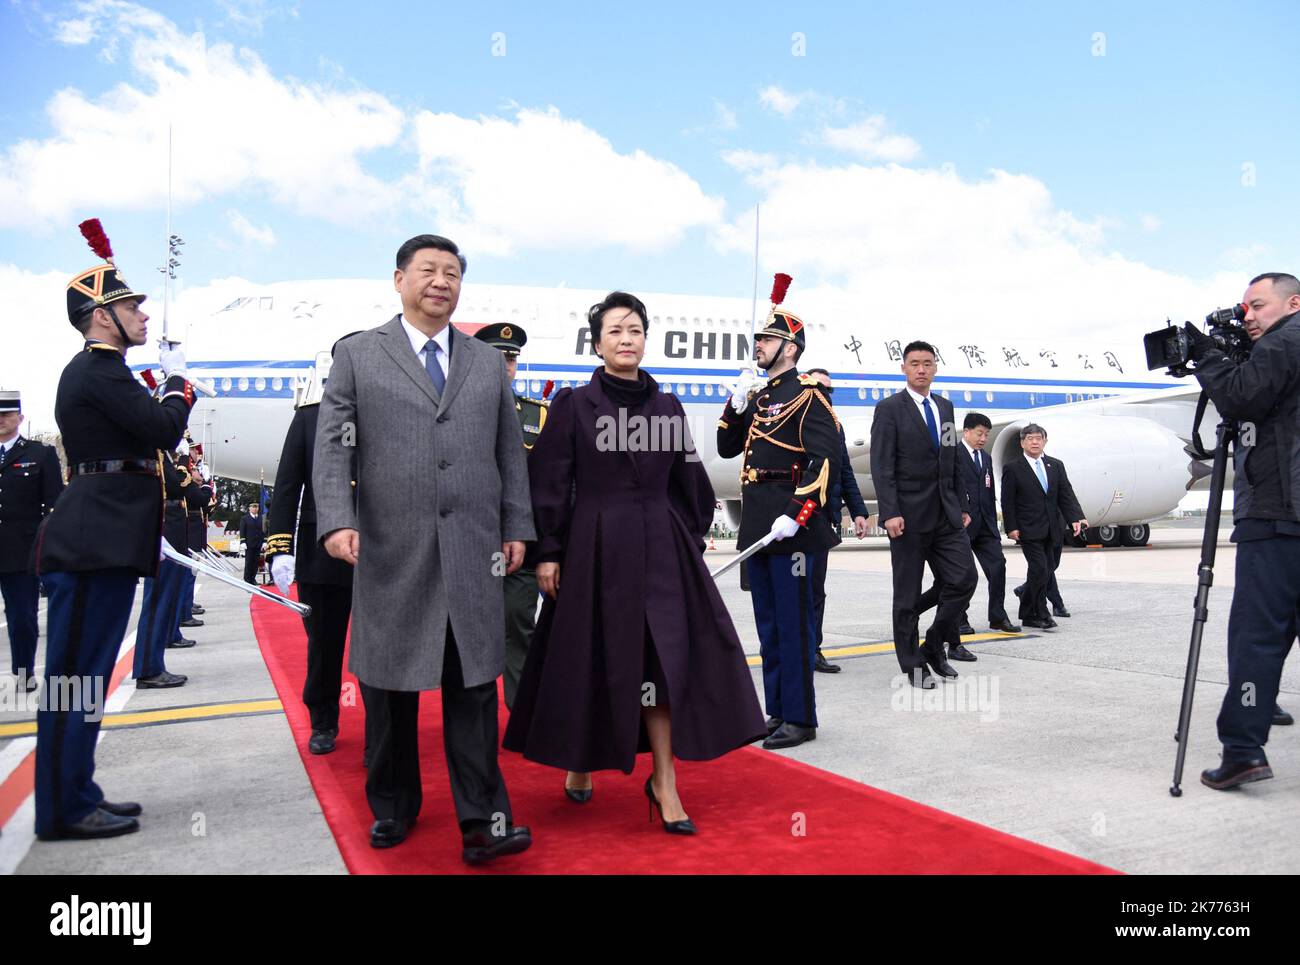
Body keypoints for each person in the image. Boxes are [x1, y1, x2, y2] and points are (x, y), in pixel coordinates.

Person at [504, 292, 764, 830]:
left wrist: (687, 537)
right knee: (588, 658)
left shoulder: (667, 407)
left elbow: (688, 479)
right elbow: (550, 485)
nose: (627, 339)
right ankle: (580, 761)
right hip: (593, 550)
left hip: (661, 551)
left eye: (636, 330)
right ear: (597, 343)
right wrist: (549, 553)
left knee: (660, 666)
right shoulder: (574, 406)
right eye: (616, 331)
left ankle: (664, 782)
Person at [313, 234, 535, 862]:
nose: (442, 282)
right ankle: (392, 806)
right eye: (430, 271)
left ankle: (485, 823)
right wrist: (335, 519)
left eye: (453, 274)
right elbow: (334, 445)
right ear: (399, 279)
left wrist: (516, 526)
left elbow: (506, 456)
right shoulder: (360, 354)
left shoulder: (485, 362)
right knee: (388, 688)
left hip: (472, 550)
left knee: (472, 689)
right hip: (390, 546)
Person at [34, 228, 195, 840]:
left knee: (90, 675)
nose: (143, 314)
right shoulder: (97, 369)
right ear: (101, 318)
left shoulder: (107, 371)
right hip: (91, 541)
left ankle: (79, 789)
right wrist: (178, 390)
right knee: (75, 677)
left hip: (104, 539)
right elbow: (159, 429)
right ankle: (61, 808)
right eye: (131, 306)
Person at [1183, 271, 1300, 789]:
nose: (1248, 316)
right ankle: (1259, 711)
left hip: (1278, 516)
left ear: (1293, 303)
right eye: (1244, 308)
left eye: (1258, 305)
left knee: (1256, 634)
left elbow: (1241, 398)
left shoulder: (1286, 341)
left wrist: (1205, 357)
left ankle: (1243, 751)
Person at [717, 283, 840, 748]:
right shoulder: (762, 396)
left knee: (793, 627)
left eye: (766, 341)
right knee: (768, 627)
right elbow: (729, 448)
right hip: (757, 529)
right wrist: (736, 403)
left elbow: (822, 461)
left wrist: (796, 513)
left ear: (790, 348)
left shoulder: (809, 397)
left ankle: (801, 719)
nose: (759, 347)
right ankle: (778, 711)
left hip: (791, 530)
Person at [268, 331, 374, 757]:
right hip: (323, 549)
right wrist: (280, 546)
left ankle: (381, 732)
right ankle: (324, 721)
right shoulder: (310, 417)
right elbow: (287, 485)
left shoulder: (391, 415)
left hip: (378, 551)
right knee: (324, 645)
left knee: (377, 648)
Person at [869, 341, 976, 689]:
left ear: (935, 368)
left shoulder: (945, 407)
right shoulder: (889, 409)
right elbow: (881, 465)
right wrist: (889, 513)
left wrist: (960, 505)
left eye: (927, 363)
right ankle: (913, 666)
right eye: (914, 363)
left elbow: (952, 458)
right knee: (907, 596)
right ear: (904, 368)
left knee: (963, 580)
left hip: (946, 513)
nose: (921, 369)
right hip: (908, 517)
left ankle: (932, 645)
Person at [472, 322, 546, 709]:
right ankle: (473, 718)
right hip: (469, 542)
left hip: (519, 548)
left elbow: (551, 484)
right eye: (497, 357)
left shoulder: (538, 416)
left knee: (519, 627)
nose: (505, 364)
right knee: (471, 635)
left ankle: (521, 713)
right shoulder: (454, 413)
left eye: (511, 358)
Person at [917, 413, 1021, 641]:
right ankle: (959, 618)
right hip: (959, 525)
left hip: (985, 525)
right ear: (966, 432)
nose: (983, 438)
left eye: (986, 434)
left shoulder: (985, 458)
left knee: (998, 568)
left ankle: (997, 615)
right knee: (962, 575)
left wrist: (995, 524)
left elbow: (989, 491)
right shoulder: (952, 454)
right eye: (979, 433)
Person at [803, 368, 873, 674]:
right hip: (789, 521)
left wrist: (858, 511)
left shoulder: (835, 427)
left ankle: (812, 650)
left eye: (828, 391)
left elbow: (844, 470)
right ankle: (786, 649)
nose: (823, 395)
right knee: (791, 590)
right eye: (817, 388)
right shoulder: (789, 424)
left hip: (820, 522)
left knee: (816, 590)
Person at [0, 391, 64, 692]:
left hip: (20, 550)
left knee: (22, 617)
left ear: (19, 418)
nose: (1, 420)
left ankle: (23, 672)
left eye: (7, 415)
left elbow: (55, 505)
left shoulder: (40, 454)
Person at [1000, 424, 1086, 630]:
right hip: (1028, 529)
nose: (1035, 442)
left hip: (1052, 527)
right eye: (1029, 438)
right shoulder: (1013, 468)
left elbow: (1066, 494)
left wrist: (1077, 517)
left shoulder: (1055, 465)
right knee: (1039, 569)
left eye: (1039, 438)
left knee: (1047, 569)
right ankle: (1040, 612)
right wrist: (1011, 526)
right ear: (1022, 442)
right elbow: (1007, 501)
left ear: (1045, 441)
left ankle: (1027, 609)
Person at [131, 445, 192, 689]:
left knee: (162, 603)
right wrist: (185, 461)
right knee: (156, 603)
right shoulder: (156, 453)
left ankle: (153, 665)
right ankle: (148, 668)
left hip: (170, 537)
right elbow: (176, 487)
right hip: (163, 534)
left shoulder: (164, 455)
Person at [239, 501, 264, 584]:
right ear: (249, 508)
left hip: (258, 543)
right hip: (249, 544)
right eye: (253, 506)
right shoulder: (245, 518)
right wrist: (242, 541)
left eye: (256, 506)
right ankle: (247, 579)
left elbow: (264, 531)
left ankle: (253, 579)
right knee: (249, 562)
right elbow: (242, 530)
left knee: (256, 562)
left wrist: (264, 541)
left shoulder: (261, 518)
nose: (255, 508)